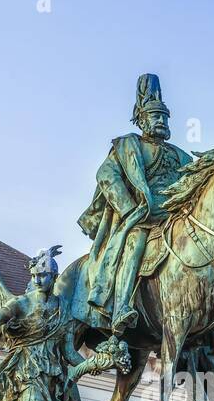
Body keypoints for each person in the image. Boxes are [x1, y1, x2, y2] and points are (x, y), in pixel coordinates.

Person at [77, 73, 191, 333]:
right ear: (142, 120)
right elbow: (106, 175)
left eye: (164, 117)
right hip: (143, 215)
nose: (161, 121)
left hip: (175, 216)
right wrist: (129, 208)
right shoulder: (129, 146)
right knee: (136, 241)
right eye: (155, 116)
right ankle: (121, 307)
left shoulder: (181, 156)